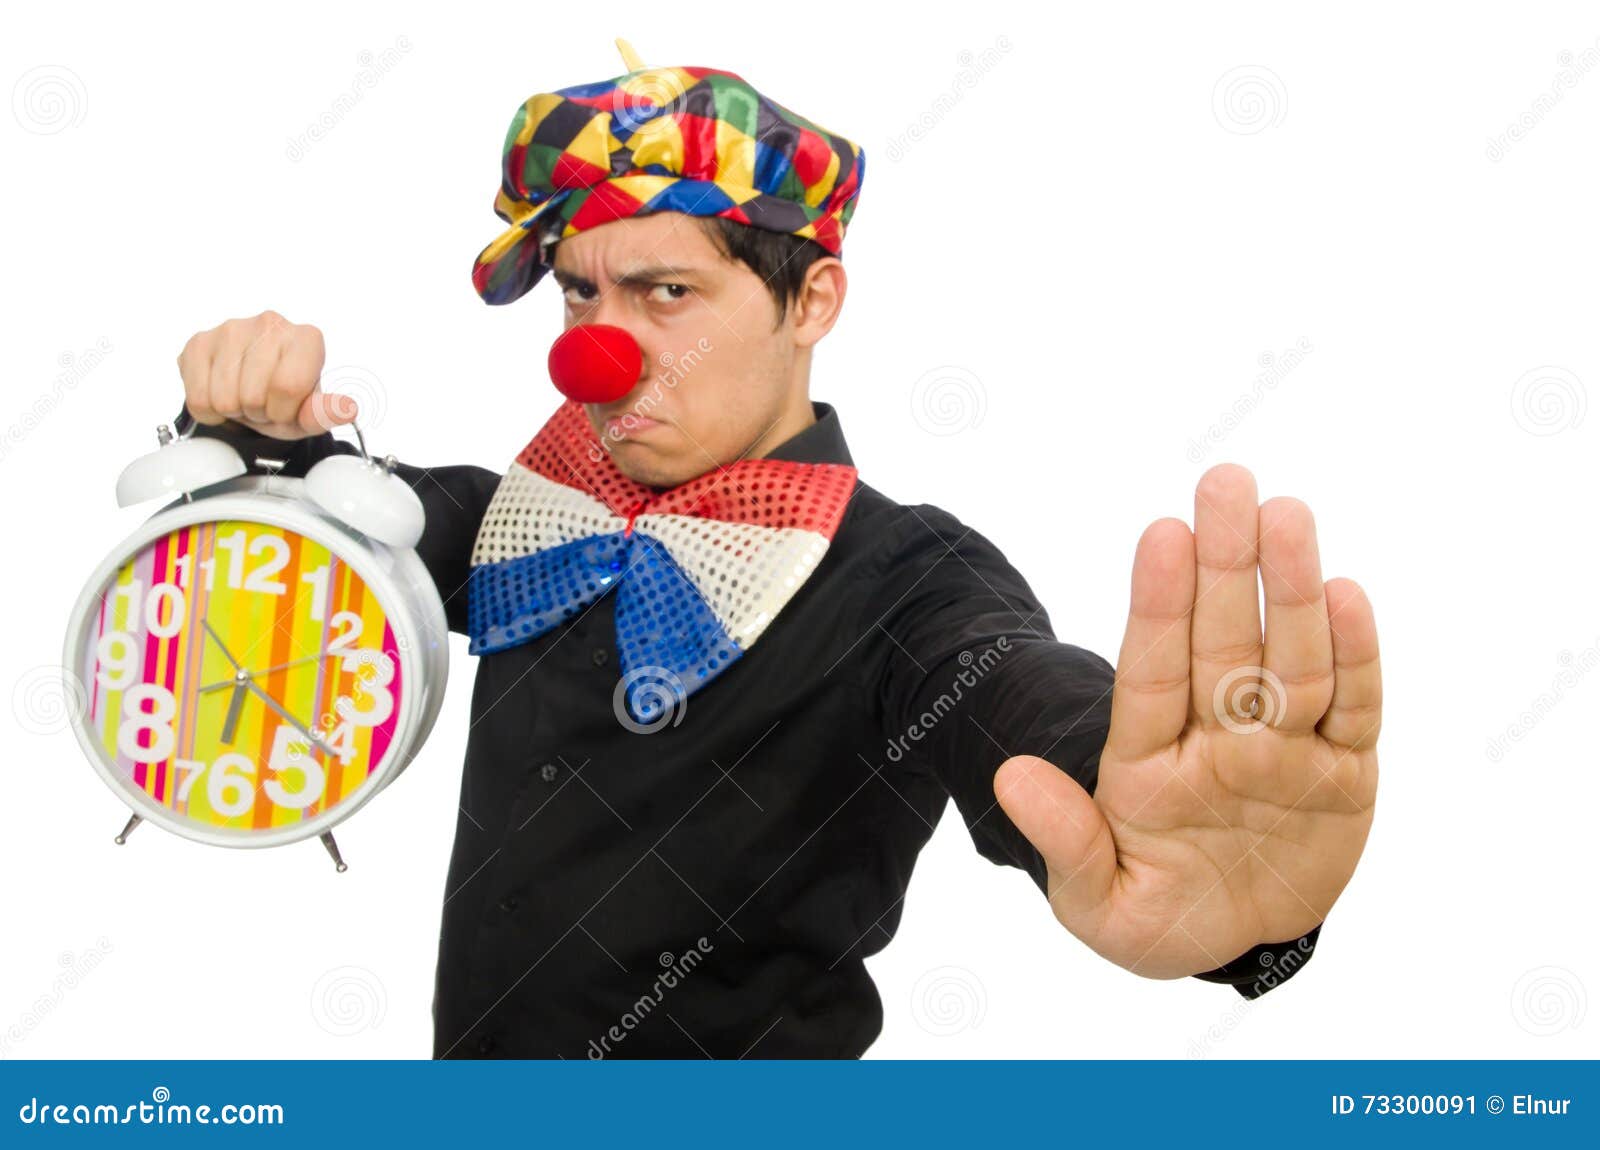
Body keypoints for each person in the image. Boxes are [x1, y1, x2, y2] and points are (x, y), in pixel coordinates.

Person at [171, 61, 1381, 1059]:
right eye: (580, 295)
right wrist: (250, 435)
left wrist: (1174, 830)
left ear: (811, 303)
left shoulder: (905, 581)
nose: (599, 352)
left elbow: (1013, 688)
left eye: (665, 292)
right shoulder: (520, 523)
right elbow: (309, 550)